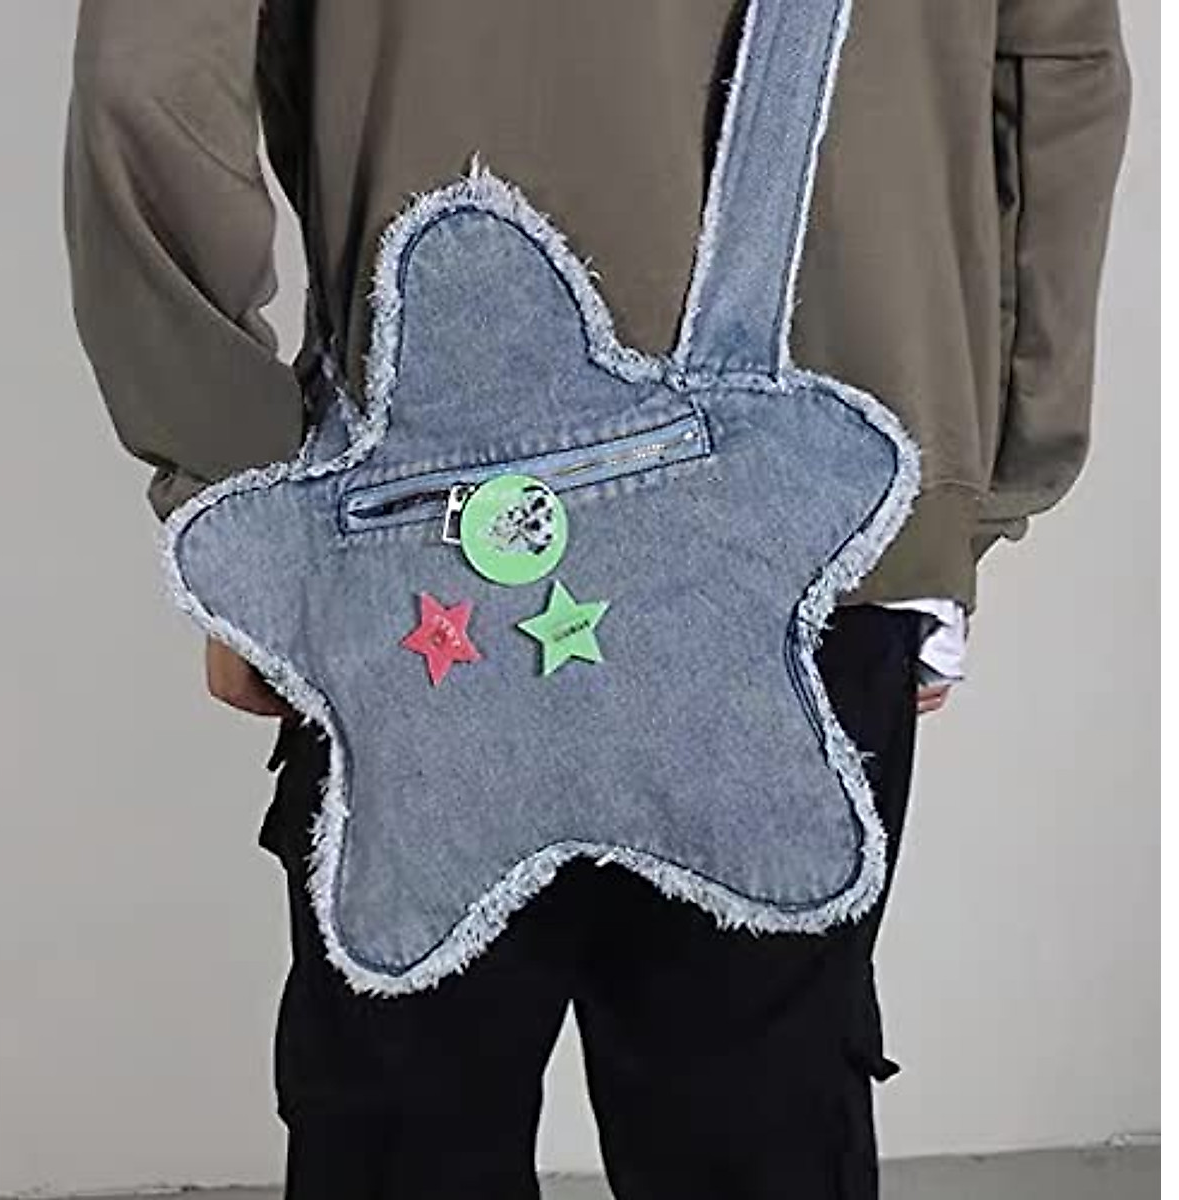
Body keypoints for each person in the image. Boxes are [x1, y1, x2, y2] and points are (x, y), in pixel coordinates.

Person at [64, 2, 1130, 1197]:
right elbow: (1056, 76)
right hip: (819, 512)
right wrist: (962, 507)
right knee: (761, 1119)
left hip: (418, 553)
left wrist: (232, 483)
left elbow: (147, 75)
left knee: (407, 1133)